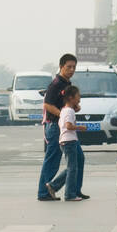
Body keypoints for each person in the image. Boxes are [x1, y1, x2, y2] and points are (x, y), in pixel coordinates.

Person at [38, 54, 77, 202]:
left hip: (63, 128)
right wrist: (62, 116)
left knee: (77, 160)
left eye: (74, 67)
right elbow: (47, 104)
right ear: (61, 66)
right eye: (69, 67)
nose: (71, 70)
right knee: (52, 160)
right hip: (54, 126)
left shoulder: (67, 84)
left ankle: (71, 190)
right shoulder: (55, 84)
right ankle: (44, 191)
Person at [48, 85, 88, 201]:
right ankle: (69, 194)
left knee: (72, 167)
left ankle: (54, 185)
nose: (79, 99)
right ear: (71, 98)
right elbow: (68, 126)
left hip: (65, 141)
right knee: (72, 168)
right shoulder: (69, 111)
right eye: (78, 96)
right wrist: (81, 127)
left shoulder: (64, 110)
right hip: (69, 141)